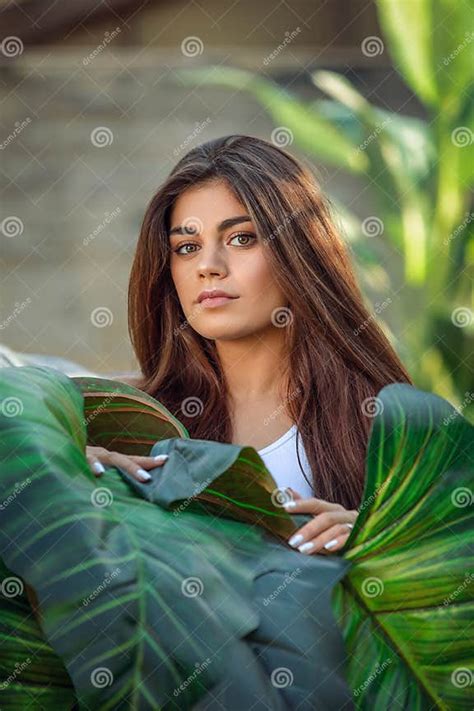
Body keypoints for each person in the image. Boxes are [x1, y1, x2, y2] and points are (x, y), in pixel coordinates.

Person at [86, 134, 412, 556]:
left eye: (241, 238)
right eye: (187, 247)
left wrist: (382, 546)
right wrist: (64, 471)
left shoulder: (387, 421)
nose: (208, 267)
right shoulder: (121, 416)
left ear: (301, 250)